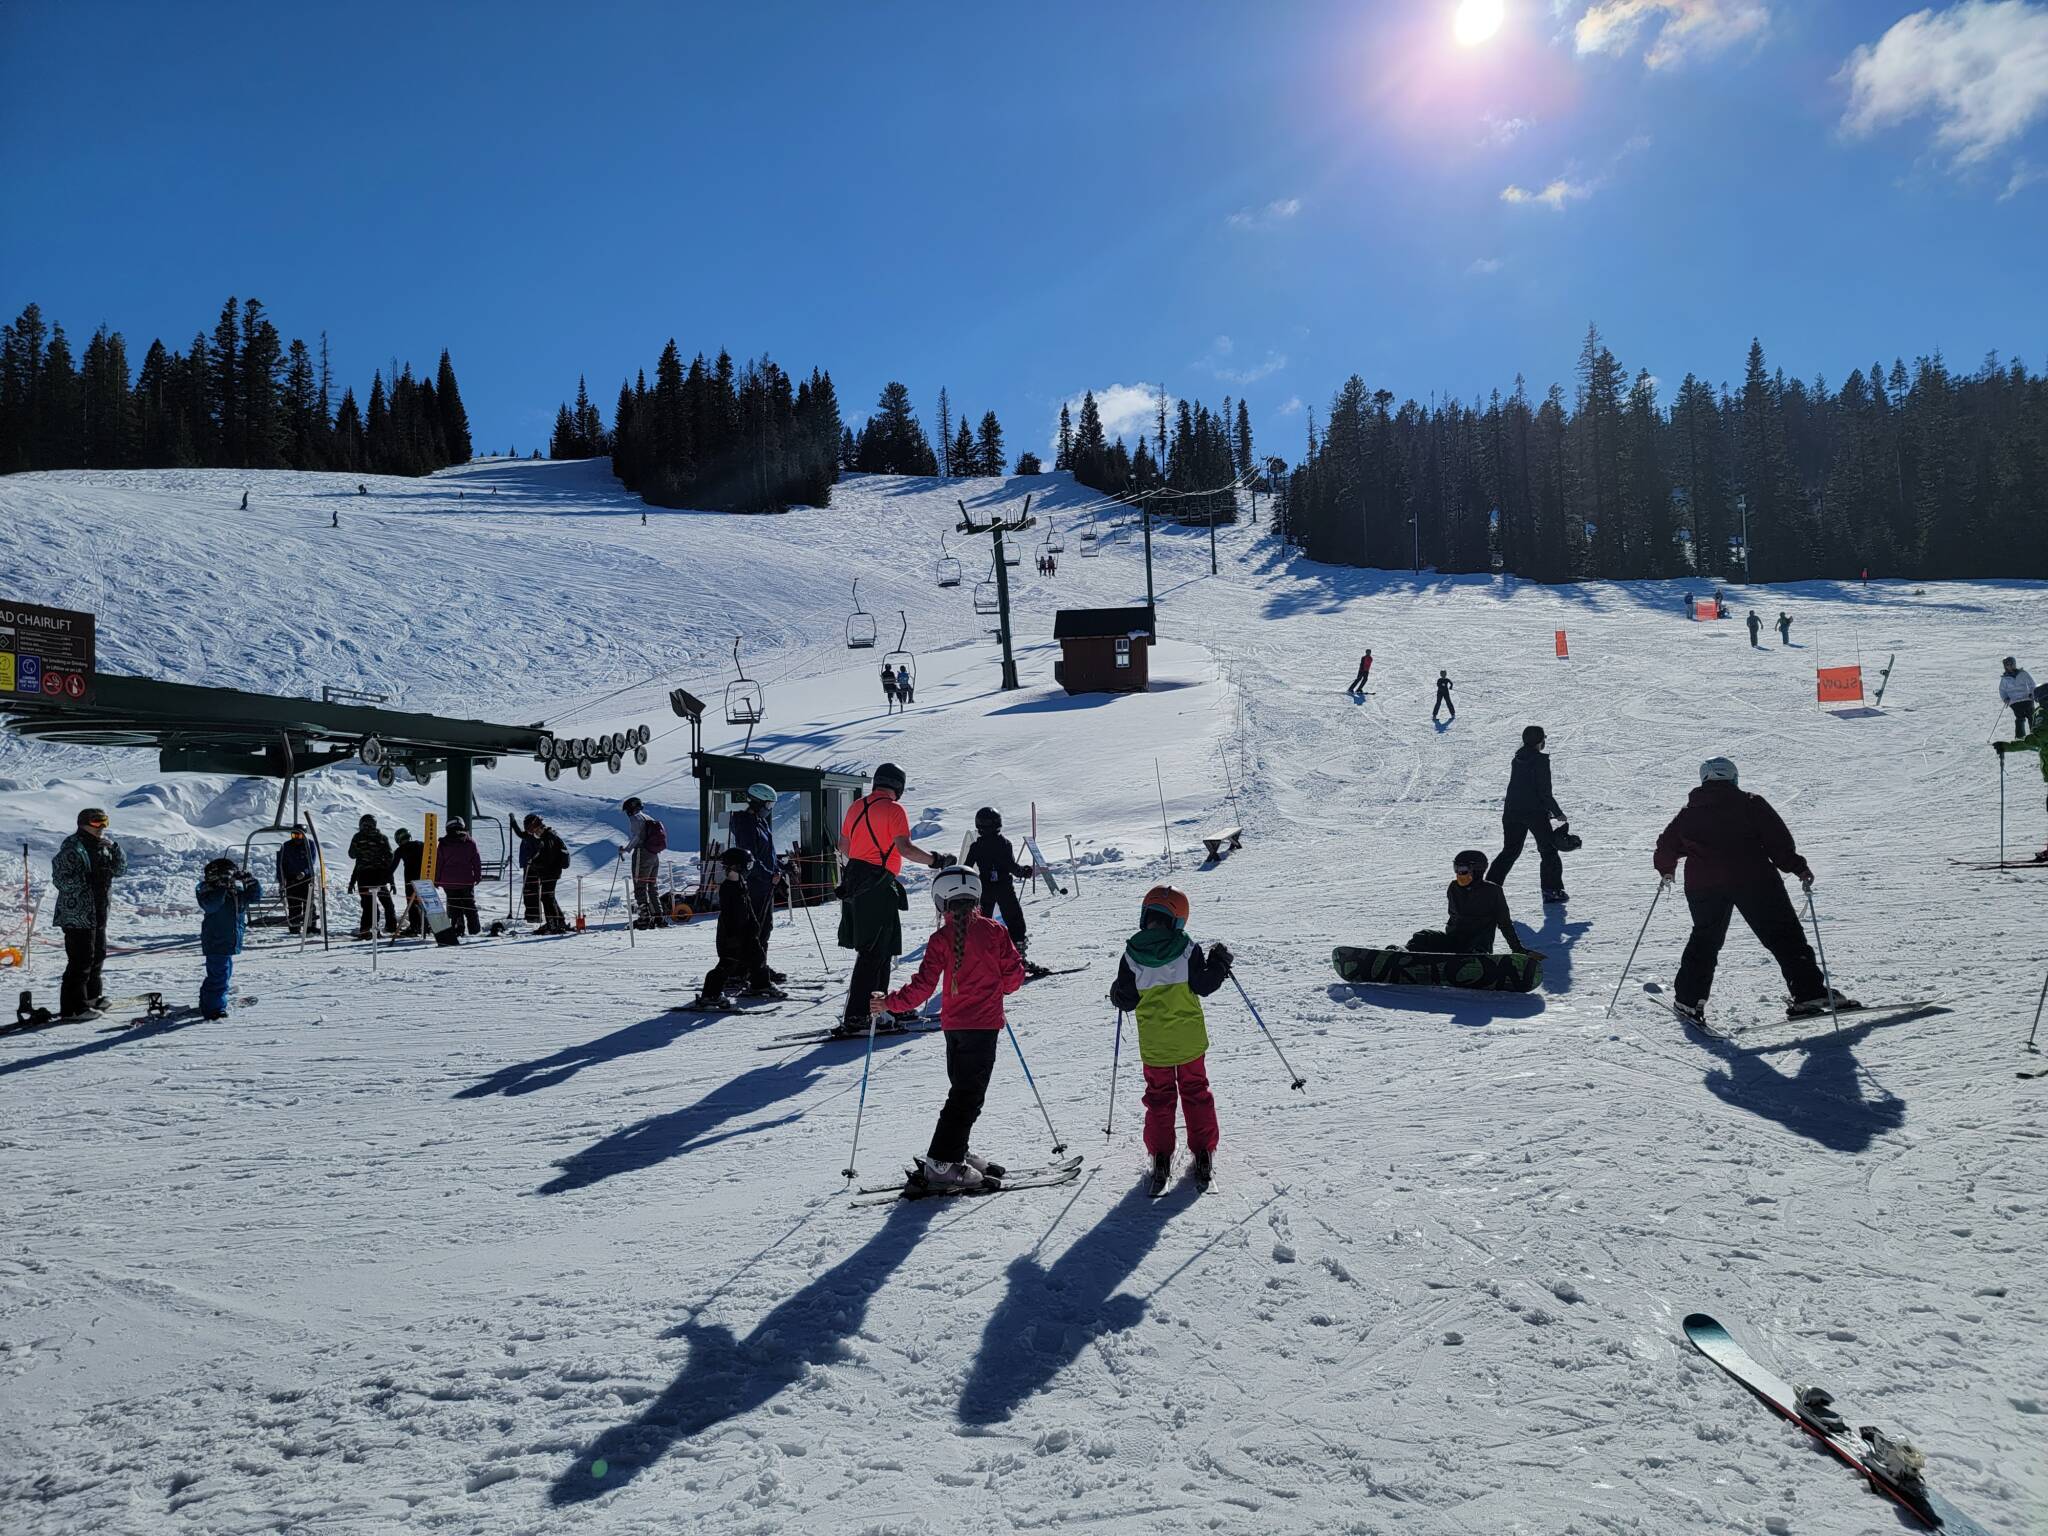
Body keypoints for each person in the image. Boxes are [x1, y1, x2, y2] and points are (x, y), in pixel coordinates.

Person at [1652, 757, 1856, 1027]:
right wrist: (1798, 867)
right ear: (1733, 778)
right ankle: (1809, 993)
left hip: (1705, 885)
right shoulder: (1750, 803)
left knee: (1705, 939)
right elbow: (1778, 841)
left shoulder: (1689, 813)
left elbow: (1666, 845)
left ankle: (1689, 1000)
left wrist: (1666, 869)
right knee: (1784, 934)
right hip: (1753, 880)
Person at [874, 866, 1025, 1192]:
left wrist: (890, 1003)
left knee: (962, 1092)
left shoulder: (940, 938)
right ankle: (942, 1163)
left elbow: (922, 987)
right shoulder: (994, 932)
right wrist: (999, 987)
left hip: (954, 1028)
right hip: (983, 1028)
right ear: (977, 896)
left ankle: (958, 1148)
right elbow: (1014, 978)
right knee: (967, 1097)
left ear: (941, 902)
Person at [1108, 884, 1233, 1194]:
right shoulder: (1187, 949)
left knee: (1159, 1097)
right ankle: (1203, 1150)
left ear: (1145, 915)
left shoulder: (1132, 955)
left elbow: (1126, 1000)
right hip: (1189, 1042)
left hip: (1155, 1046)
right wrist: (1219, 963)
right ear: (1178, 921)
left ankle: (1161, 1154)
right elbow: (1204, 984)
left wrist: (1117, 992)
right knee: (1196, 1092)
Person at [834, 761, 954, 1036]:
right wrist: (935, 860)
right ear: (898, 786)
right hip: (878, 885)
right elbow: (905, 849)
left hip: (856, 883)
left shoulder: (857, 806)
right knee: (875, 951)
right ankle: (858, 1015)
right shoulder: (894, 809)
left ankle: (879, 1007)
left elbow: (844, 846)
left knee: (879, 951)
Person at [51, 806, 124, 1020]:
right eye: (96, 822)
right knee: (80, 961)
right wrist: (87, 878)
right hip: (77, 913)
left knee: (97, 956)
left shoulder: (103, 846)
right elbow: (60, 880)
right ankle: (73, 1008)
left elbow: (121, 870)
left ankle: (92, 997)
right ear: (83, 824)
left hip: (98, 911)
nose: (101, 827)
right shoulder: (72, 847)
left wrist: (115, 849)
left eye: (105, 822)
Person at [687, 849, 782, 1007]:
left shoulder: (740, 884)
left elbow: (747, 908)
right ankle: (710, 995)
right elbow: (731, 916)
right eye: (748, 865)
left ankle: (761, 984)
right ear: (737, 867)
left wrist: (753, 925)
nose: (749, 869)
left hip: (747, 932)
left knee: (757, 956)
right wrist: (734, 937)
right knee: (728, 963)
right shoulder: (728, 888)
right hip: (732, 935)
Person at [1486, 725, 1569, 903]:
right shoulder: (1540, 761)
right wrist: (1558, 813)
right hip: (1534, 813)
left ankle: (1488, 889)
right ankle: (1552, 891)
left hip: (1511, 811)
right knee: (1549, 851)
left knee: (1510, 850)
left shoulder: (1517, 758)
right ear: (1540, 741)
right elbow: (1544, 792)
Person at [1408, 851, 1529, 954]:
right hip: (1453, 942)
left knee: (1474, 950)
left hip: (1477, 946)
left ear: (1477, 870)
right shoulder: (1453, 887)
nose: (1458, 873)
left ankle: (1473, 965)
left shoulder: (1493, 891)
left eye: (1462, 870)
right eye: (1456, 868)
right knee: (1423, 936)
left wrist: (1517, 949)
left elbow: (1505, 924)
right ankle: (1400, 957)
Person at [965, 807, 1040, 971]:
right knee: (1015, 922)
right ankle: (1018, 960)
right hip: (1004, 888)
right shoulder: (1004, 843)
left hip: (984, 889)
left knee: (981, 924)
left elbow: (967, 869)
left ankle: (980, 962)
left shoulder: (976, 846)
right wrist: (1024, 872)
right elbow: (1011, 866)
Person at [195, 857, 260, 1018]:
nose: (231, 880)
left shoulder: (235, 893)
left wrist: (249, 881)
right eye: (227, 876)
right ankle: (214, 1009)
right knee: (220, 976)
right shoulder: (206, 890)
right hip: (216, 940)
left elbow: (254, 896)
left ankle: (207, 1001)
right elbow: (212, 905)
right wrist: (221, 887)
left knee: (221, 974)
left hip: (230, 941)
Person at [728, 783, 781, 976]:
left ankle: (759, 966)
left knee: (765, 926)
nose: (769, 809)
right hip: (755, 883)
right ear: (758, 802)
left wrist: (781, 866)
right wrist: (769, 874)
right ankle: (747, 969)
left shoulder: (760, 822)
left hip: (766, 883)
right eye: (768, 805)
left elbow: (767, 853)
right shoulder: (746, 823)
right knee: (755, 927)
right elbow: (750, 857)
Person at [347, 814, 401, 937]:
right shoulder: (381, 838)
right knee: (387, 903)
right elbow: (389, 858)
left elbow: (352, 855)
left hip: (363, 876)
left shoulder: (358, 837)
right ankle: (391, 928)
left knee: (368, 905)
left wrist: (352, 882)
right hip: (379, 876)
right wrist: (390, 878)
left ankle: (367, 930)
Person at [620, 796, 667, 928]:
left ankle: (644, 919)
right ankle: (659, 917)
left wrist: (626, 849)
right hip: (654, 855)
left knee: (639, 885)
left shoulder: (635, 818)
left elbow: (637, 837)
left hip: (642, 853)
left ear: (631, 809)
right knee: (652, 886)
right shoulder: (648, 817)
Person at [436, 818, 484, 941]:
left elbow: (439, 863)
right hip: (466, 880)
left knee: (454, 906)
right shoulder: (469, 842)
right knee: (469, 906)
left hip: (449, 882)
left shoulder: (443, 844)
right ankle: (475, 931)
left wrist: (437, 879)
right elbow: (476, 861)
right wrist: (477, 876)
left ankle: (457, 929)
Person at [521, 814, 571, 932]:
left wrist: (534, 863)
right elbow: (545, 857)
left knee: (546, 897)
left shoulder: (548, 838)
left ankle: (553, 923)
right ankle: (558, 921)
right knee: (549, 896)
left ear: (537, 827)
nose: (534, 834)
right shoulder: (547, 837)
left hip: (551, 872)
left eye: (532, 830)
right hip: (550, 872)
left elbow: (548, 858)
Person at [275, 826, 319, 934]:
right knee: (294, 904)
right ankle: (294, 927)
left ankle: (310, 926)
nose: (296, 838)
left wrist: (304, 872)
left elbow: (311, 862)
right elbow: (281, 864)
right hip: (292, 879)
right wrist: (282, 880)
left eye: (299, 835)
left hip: (306, 879)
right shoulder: (286, 846)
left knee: (309, 903)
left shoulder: (309, 844)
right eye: (294, 835)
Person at [392, 827, 427, 935]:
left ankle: (415, 927)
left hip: (410, 880)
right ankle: (427, 926)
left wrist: (387, 879)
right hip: (424, 878)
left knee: (412, 904)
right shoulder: (421, 844)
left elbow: (392, 867)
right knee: (425, 903)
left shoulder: (400, 850)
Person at [510, 812, 541, 924]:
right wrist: (513, 822)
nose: (526, 829)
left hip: (533, 868)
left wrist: (532, 860)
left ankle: (535, 916)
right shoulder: (527, 835)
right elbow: (519, 833)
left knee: (533, 892)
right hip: (526, 867)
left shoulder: (535, 837)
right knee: (527, 892)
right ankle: (529, 915)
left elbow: (539, 851)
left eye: (528, 826)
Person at [1998, 656, 2037, 739]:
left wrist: (2031, 693)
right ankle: (2020, 737)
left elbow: (2031, 684)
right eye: (2007, 665)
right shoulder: (2005, 679)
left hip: (2026, 699)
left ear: (2014, 664)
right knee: (2020, 717)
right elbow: (2002, 690)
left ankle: (2035, 734)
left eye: (2011, 664)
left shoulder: (2023, 673)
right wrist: (2005, 698)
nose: (2010, 666)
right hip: (2015, 701)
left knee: (2031, 716)